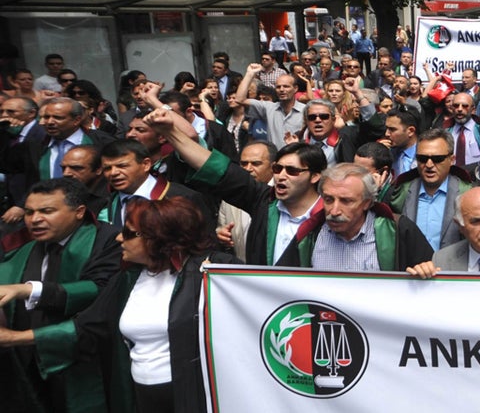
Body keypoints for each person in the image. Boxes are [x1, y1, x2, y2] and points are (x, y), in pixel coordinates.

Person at [0, 196, 238, 413]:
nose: (118, 237)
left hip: (193, 398)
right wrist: (14, 338)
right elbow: (87, 326)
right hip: (139, 395)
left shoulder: (209, 271)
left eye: (129, 232)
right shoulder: (127, 279)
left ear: (157, 238)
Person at [140, 107, 324, 266]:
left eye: (292, 171)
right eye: (277, 168)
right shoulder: (264, 202)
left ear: (315, 176)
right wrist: (170, 132)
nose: (281, 176)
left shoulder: (330, 214)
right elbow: (214, 166)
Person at [0, 178, 121, 413]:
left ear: (79, 212)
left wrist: (27, 289)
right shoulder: (21, 247)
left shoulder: (108, 240)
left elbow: (99, 289)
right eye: (29, 212)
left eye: (47, 211)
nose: (35, 219)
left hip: (85, 360)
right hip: (30, 365)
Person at [279, 164, 433, 271]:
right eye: (328, 199)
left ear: (367, 203)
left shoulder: (397, 230)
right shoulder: (309, 235)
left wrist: (424, 271)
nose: (334, 210)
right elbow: (280, 283)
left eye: (346, 201)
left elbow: (432, 280)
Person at [233, 61, 304, 148]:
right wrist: (249, 74)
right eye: (278, 87)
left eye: (286, 86)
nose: (281, 90)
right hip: (274, 159)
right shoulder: (268, 108)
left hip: (298, 158)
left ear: (295, 88)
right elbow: (239, 99)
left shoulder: (305, 110)